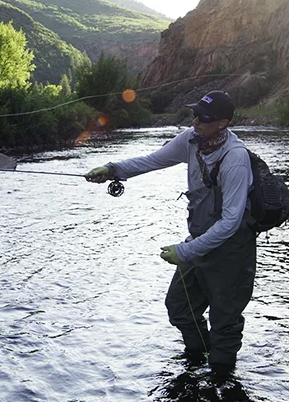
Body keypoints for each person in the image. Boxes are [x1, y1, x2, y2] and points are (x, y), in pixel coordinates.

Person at [85, 90, 256, 380]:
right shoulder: (190, 140)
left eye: (204, 118)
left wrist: (185, 251)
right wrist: (113, 169)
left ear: (223, 123)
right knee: (179, 307)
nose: (195, 122)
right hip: (199, 241)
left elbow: (229, 222)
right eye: (194, 114)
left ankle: (220, 382)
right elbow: (152, 160)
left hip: (232, 250)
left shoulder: (236, 159)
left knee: (224, 324)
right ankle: (196, 361)